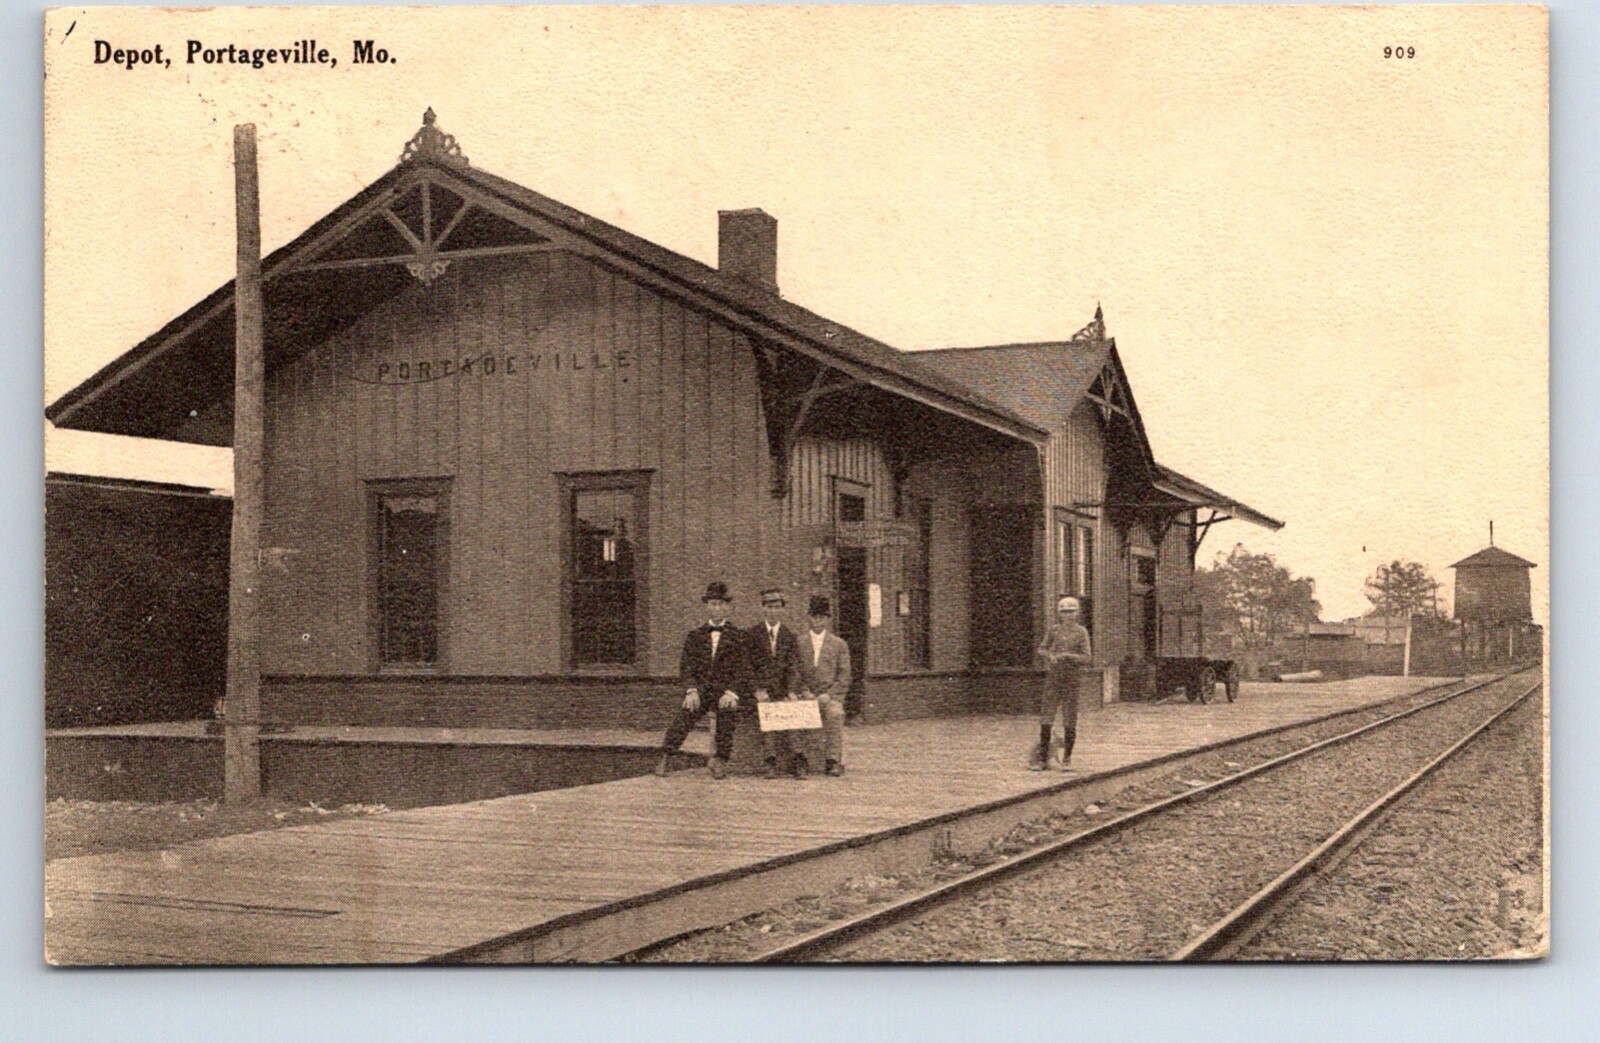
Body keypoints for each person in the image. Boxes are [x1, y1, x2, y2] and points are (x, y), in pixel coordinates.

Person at [656, 581, 750, 779]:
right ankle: (666, 756)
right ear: (707, 606)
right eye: (713, 604)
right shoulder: (695, 636)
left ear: (728, 608)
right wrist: (691, 690)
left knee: (728, 712)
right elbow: (686, 667)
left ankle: (720, 760)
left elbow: (743, 669)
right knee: (686, 712)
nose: (717, 608)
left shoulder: (739, 636)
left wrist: (732, 692)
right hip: (701, 691)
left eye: (721, 604)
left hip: (724, 692)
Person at [745, 588, 807, 778]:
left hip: (782, 690)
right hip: (760, 691)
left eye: (777, 607)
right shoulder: (753, 634)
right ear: (763, 609)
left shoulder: (789, 636)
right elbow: (746, 666)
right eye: (769, 607)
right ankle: (770, 761)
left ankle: (798, 760)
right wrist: (756, 689)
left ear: (782, 610)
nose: (773, 611)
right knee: (767, 708)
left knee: (792, 708)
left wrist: (792, 691)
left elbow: (794, 666)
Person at [1033, 595, 1092, 771]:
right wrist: (1050, 656)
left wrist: (1070, 656)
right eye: (1064, 612)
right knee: (1047, 716)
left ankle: (1067, 758)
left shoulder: (1081, 632)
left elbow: (1087, 657)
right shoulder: (1054, 631)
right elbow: (1042, 648)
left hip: (1072, 678)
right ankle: (1043, 759)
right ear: (1060, 614)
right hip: (1054, 677)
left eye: (1071, 612)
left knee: (1069, 717)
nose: (1067, 616)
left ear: (1077, 614)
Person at [797, 595, 850, 777]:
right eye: (814, 616)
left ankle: (832, 760)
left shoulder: (839, 644)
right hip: (807, 695)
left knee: (835, 714)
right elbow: (795, 673)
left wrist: (830, 695)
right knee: (799, 713)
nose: (817, 620)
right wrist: (805, 692)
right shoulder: (799, 643)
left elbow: (844, 676)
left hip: (830, 696)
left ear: (828, 619)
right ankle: (801, 760)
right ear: (808, 617)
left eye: (822, 617)